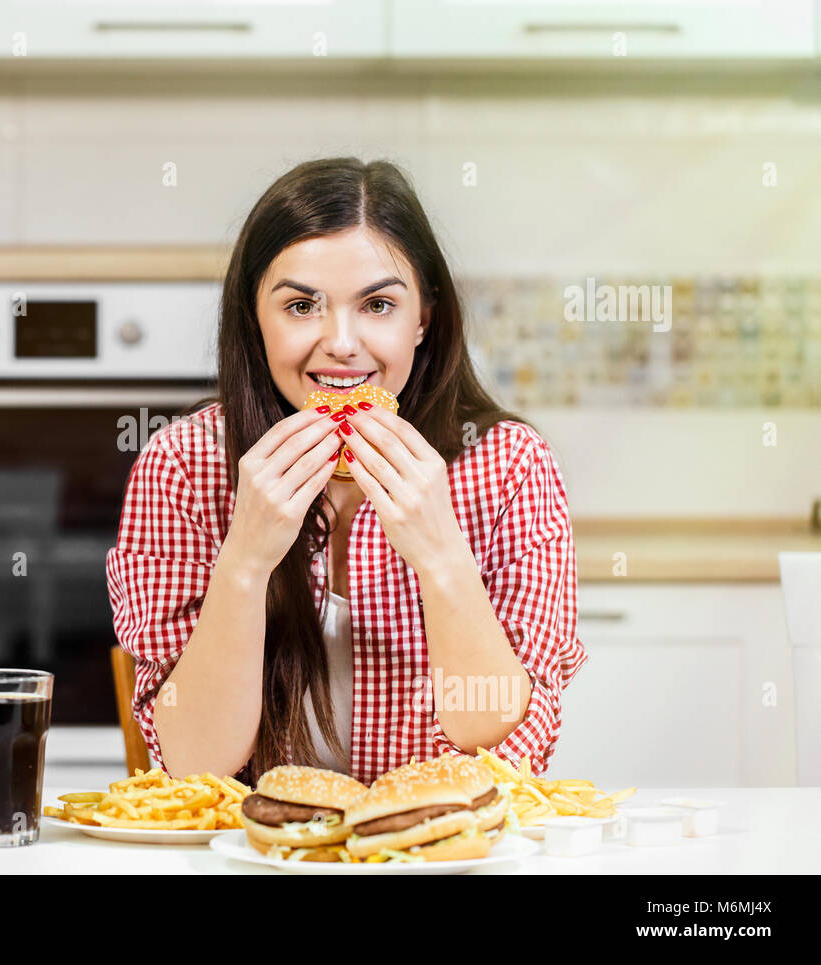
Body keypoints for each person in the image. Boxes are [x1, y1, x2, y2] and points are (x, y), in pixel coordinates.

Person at [106, 157, 588, 786]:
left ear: (424, 320)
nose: (340, 342)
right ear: (255, 320)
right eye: (301, 305)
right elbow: (195, 764)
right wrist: (246, 560)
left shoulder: (510, 467)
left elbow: (503, 752)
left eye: (378, 304)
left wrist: (441, 555)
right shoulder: (182, 466)